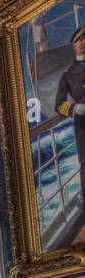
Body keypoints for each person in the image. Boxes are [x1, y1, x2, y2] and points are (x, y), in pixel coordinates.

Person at [55, 27, 85, 175]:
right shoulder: (68, 75)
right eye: (80, 40)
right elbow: (59, 104)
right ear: (74, 46)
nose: (84, 42)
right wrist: (75, 109)